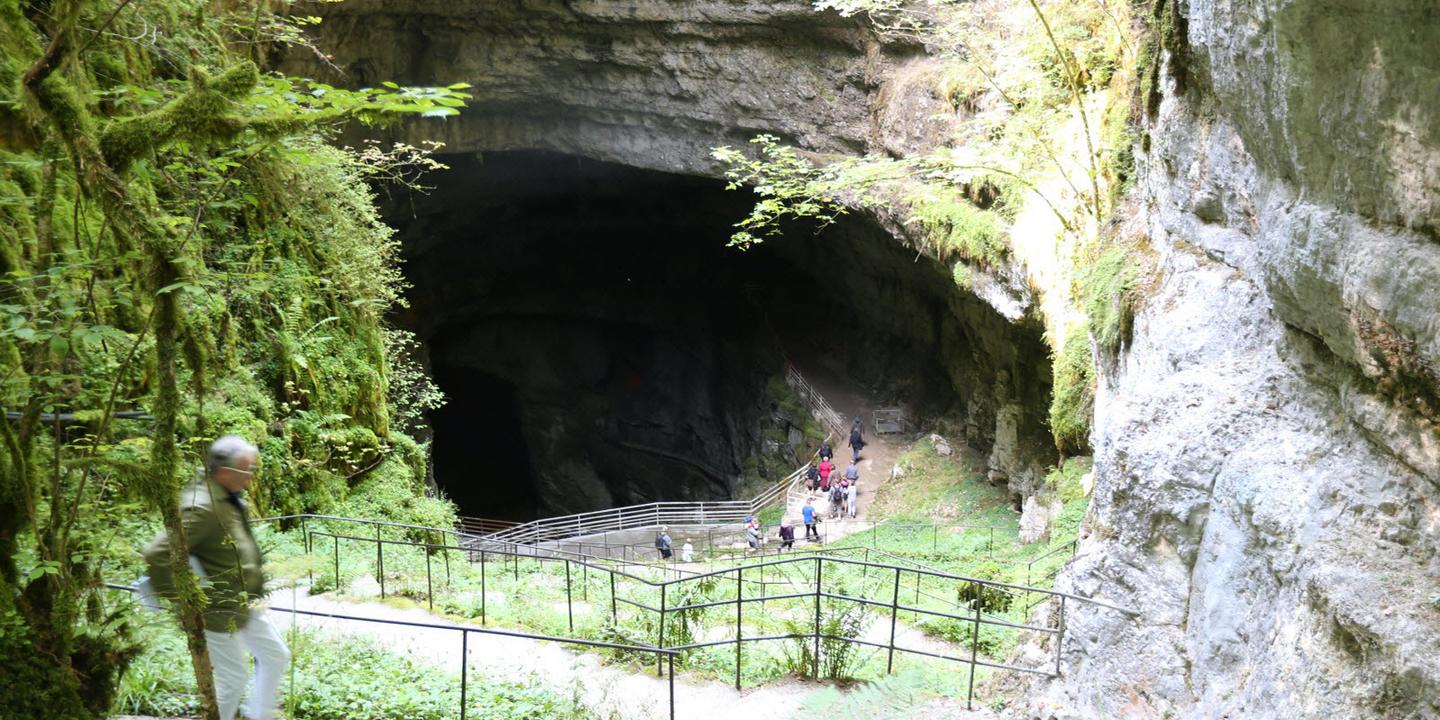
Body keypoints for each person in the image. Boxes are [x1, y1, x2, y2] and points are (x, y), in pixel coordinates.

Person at [142, 436, 289, 720]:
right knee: (233, 680)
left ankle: (258, 716)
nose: (250, 478)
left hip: (244, 603)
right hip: (218, 610)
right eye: (247, 471)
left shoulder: (224, 497)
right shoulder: (202, 507)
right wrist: (184, 602)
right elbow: (157, 554)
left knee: (275, 655)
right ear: (224, 471)